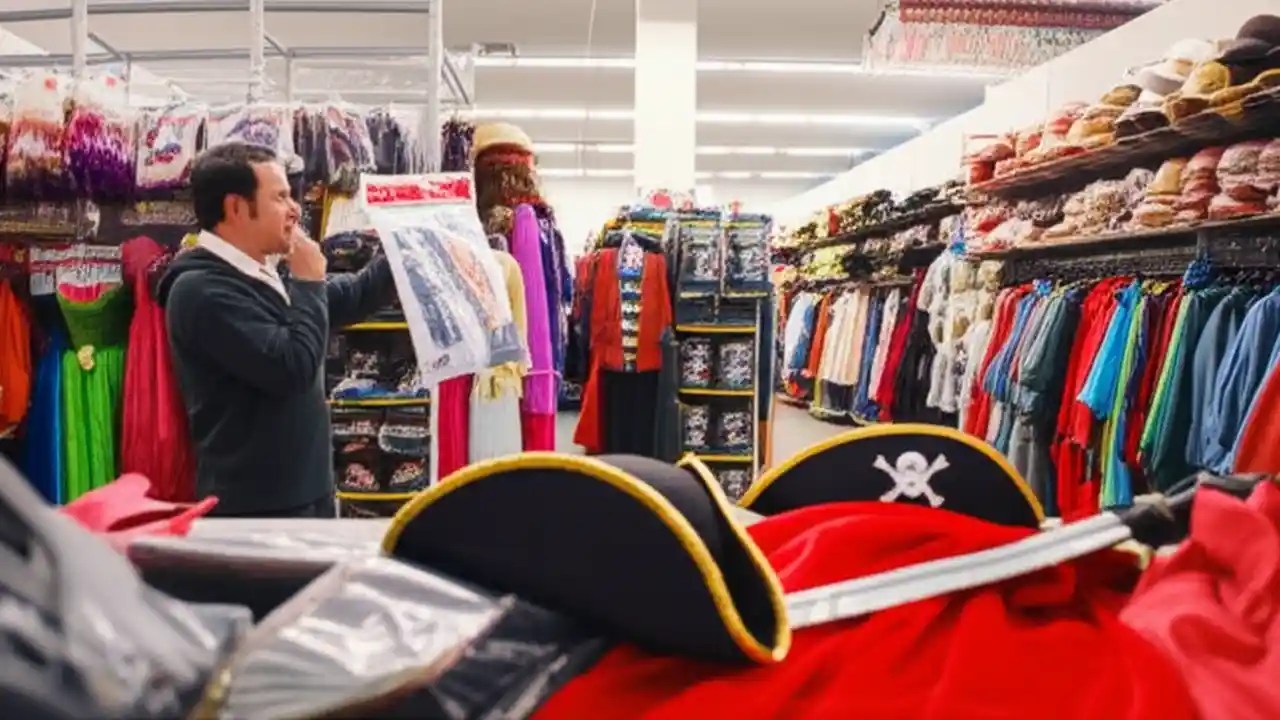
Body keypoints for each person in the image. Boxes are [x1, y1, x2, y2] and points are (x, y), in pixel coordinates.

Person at [158, 142, 394, 517]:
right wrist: (309, 282)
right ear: (235, 207)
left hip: (305, 494)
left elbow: (349, 296)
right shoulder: (201, 291)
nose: (295, 209)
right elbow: (292, 367)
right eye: (280, 197)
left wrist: (406, 246)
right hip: (257, 509)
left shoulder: (260, 270)